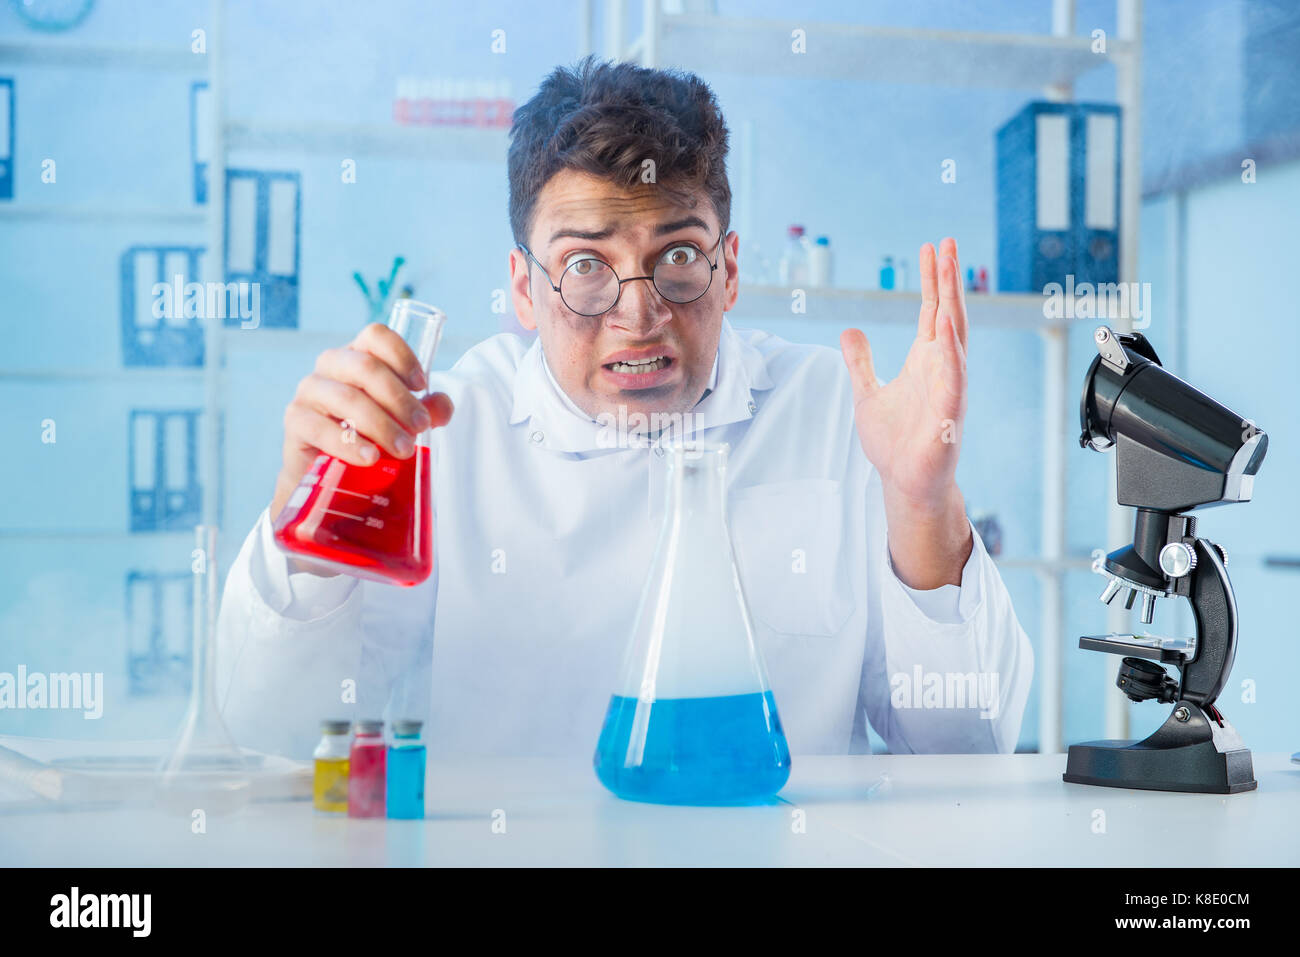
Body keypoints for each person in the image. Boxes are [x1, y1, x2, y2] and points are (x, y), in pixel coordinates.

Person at [216, 56, 1033, 759]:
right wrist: (308, 534)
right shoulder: (442, 429)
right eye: (584, 266)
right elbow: (274, 727)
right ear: (523, 288)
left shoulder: (836, 413)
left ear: (731, 268)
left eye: (678, 256)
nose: (636, 313)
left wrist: (925, 504)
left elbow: (970, 745)